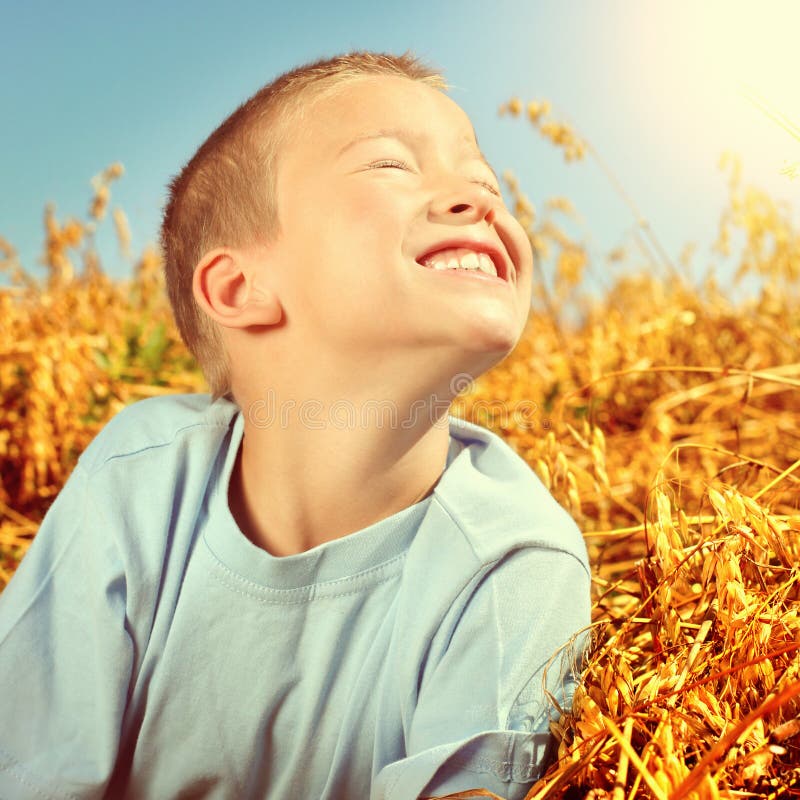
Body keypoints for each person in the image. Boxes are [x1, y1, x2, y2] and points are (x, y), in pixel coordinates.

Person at [0, 51, 591, 800]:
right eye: (391, 165)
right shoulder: (138, 478)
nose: (478, 199)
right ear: (241, 287)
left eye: (485, 182)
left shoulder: (516, 561)